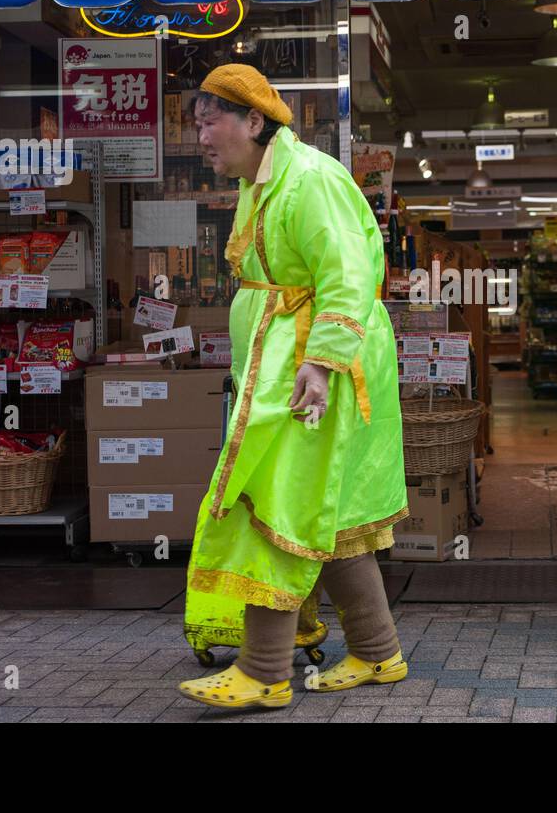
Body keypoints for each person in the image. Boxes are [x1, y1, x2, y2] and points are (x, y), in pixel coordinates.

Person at [178, 65, 409, 710]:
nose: (200, 137)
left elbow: (348, 271)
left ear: (255, 122)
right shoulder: (264, 179)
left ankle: (264, 670)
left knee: (274, 501)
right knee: (326, 514)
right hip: (292, 359)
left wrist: (321, 361)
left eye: (209, 122)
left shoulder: (308, 179)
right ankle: (377, 650)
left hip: (315, 366)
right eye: (196, 124)